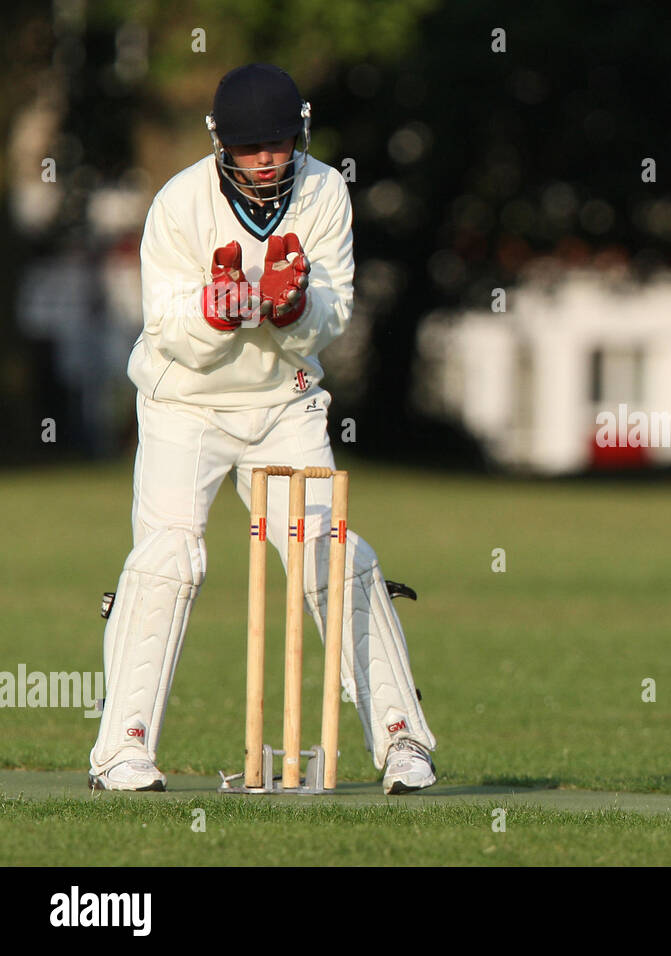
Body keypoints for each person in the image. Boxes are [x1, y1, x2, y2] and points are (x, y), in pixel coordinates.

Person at [90, 63, 437, 794]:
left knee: (331, 554)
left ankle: (403, 741)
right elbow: (165, 329)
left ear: (298, 135)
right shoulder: (179, 204)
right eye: (251, 149)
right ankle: (122, 750)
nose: (267, 161)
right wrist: (224, 309)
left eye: (279, 144)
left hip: (283, 407)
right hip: (185, 405)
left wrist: (290, 309)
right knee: (170, 559)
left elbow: (333, 314)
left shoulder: (323, 190)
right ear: (222, 144)